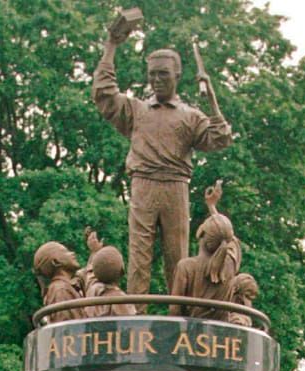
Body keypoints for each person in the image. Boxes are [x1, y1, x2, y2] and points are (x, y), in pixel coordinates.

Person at [93, 16, 233, 303]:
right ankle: (135, 315)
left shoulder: (190, 116)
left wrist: (211, 99)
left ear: (177, 76)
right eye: (152, 74)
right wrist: (111, 46)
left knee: (178, 260)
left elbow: (220, 139)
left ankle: (180, 314)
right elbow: (104, 95)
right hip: (142, 185)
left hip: (175, 187)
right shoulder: (136, 110)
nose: (156, 80)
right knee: (138, 257)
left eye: (163, 74)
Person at [168, 184, 241, 320]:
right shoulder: (230, 265)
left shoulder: (186, 267)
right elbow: (230, 239)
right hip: (220, 330)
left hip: (191, 330)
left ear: (200, 232)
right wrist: (212, 207)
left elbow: (174, 309)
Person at [33, 241, 85, 323]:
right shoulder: (60, 290)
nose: (73, 253)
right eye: (65, 252)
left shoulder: (64, 287)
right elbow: (67, 328)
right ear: (56, 262)